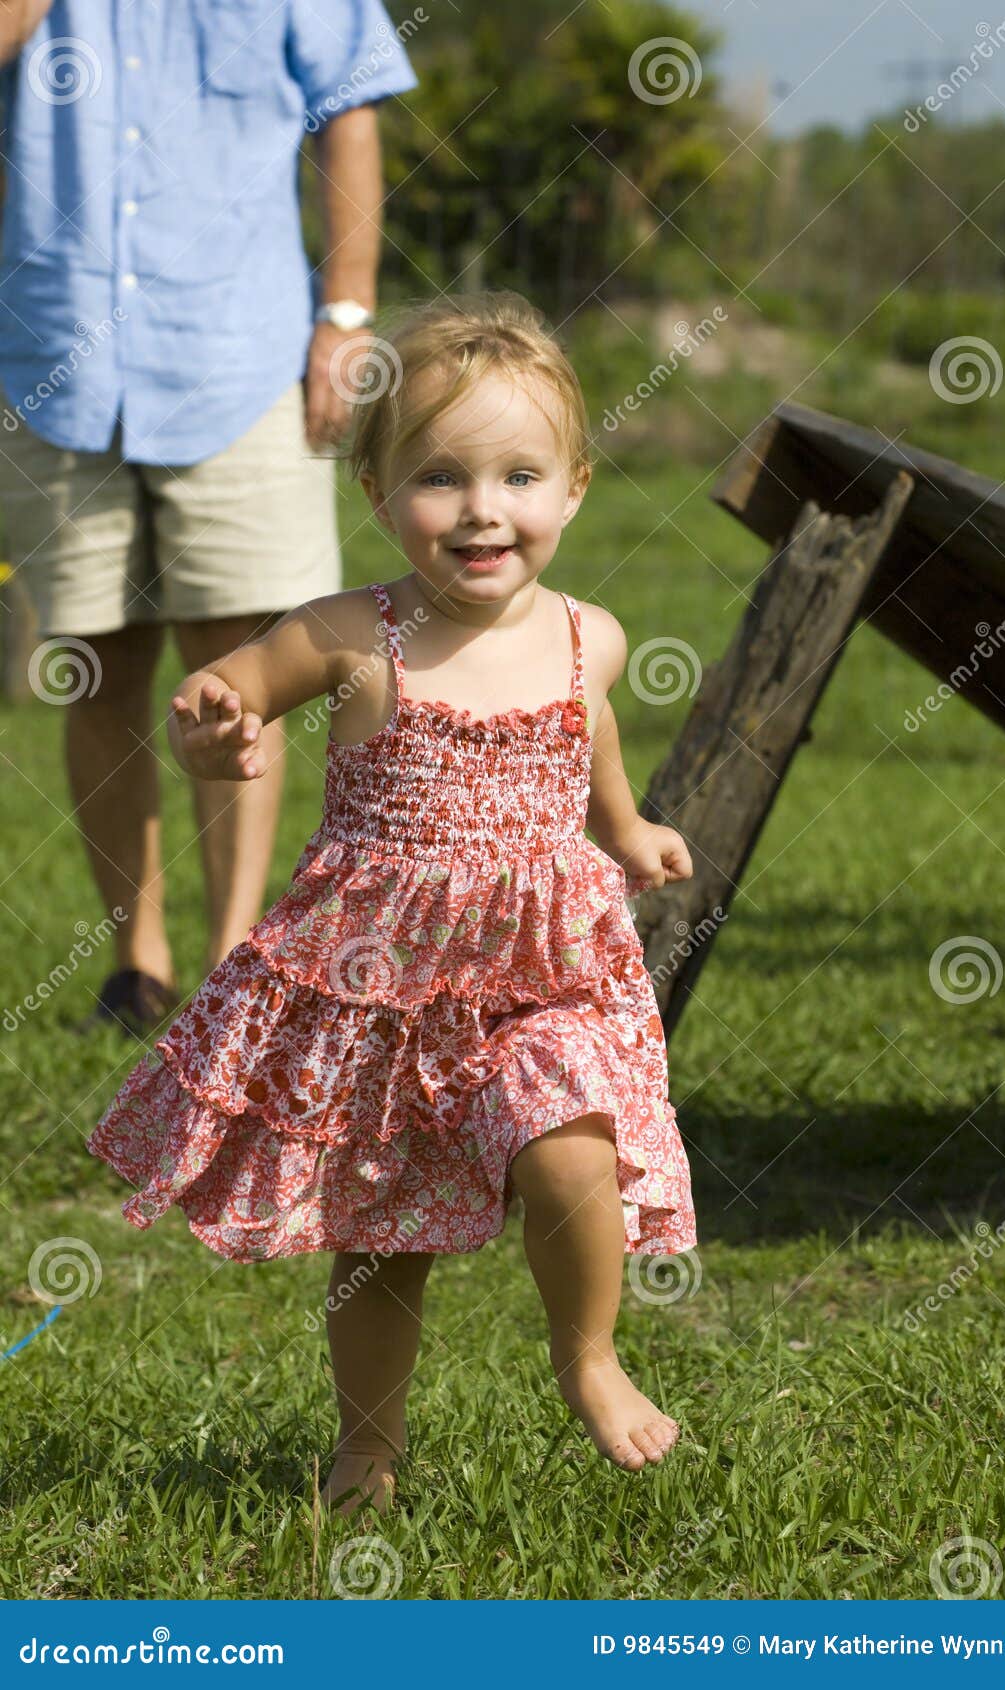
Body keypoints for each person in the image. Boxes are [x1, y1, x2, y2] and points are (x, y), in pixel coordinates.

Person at [86, 291, 698, 1516]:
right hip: (382, 993)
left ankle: (588, 1355)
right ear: (377, 493)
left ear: (575, 488)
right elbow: (230, 684)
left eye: (518, 476)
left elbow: (590, 732)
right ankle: (368, 1441)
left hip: (541, 973)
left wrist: (625, 828)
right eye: (440, 477)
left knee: (572, 1129)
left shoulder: (593, 637)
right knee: (382, 1242)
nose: (482, 509)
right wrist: (214, 725)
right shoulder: (352, 635)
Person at [0, 0, 417, 1034]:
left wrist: (347, 315)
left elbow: (350, 108)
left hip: (238, 356)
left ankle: (234, 965)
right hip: (53, 362)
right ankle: (134, 969)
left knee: (241, 670)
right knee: (94, 664)